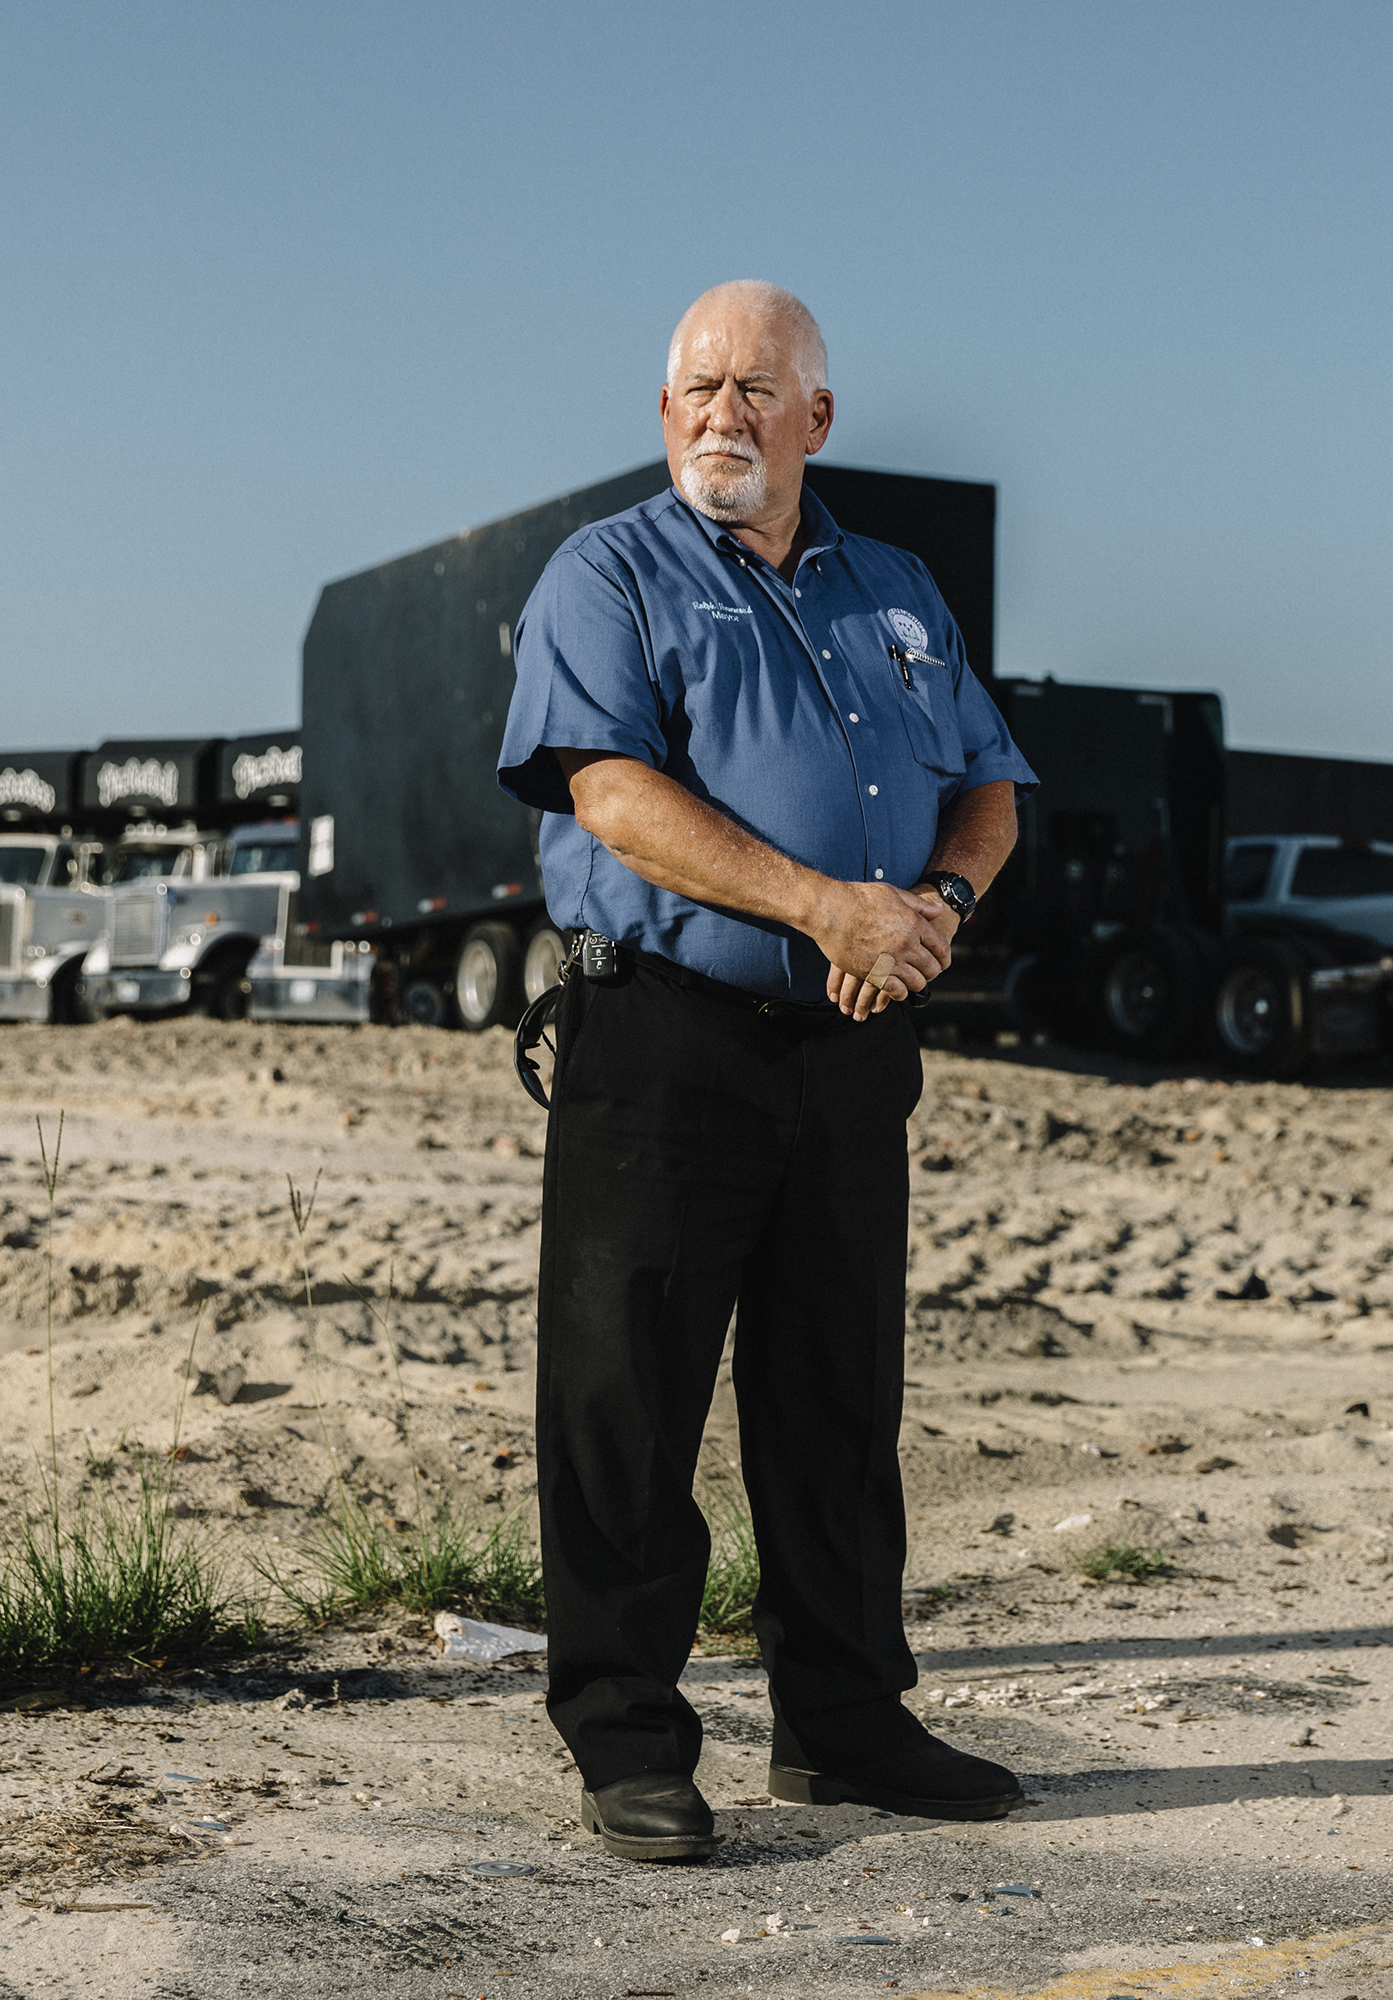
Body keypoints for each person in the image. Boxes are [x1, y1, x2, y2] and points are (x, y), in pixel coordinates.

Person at [495, 280, 1037, 1861]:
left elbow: (990, 789)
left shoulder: (897, 589)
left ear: (817, 417)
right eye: (696, 387)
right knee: (626, 1397)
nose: (721, 414)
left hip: (855, 1043)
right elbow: (611, 795)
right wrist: (823, 908)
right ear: (664, 412)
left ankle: (846, 1725)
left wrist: (930, 914)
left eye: (754, 388)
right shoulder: (609, 573)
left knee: (836, 1398)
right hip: (665, 1032)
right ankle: (627, 1737)